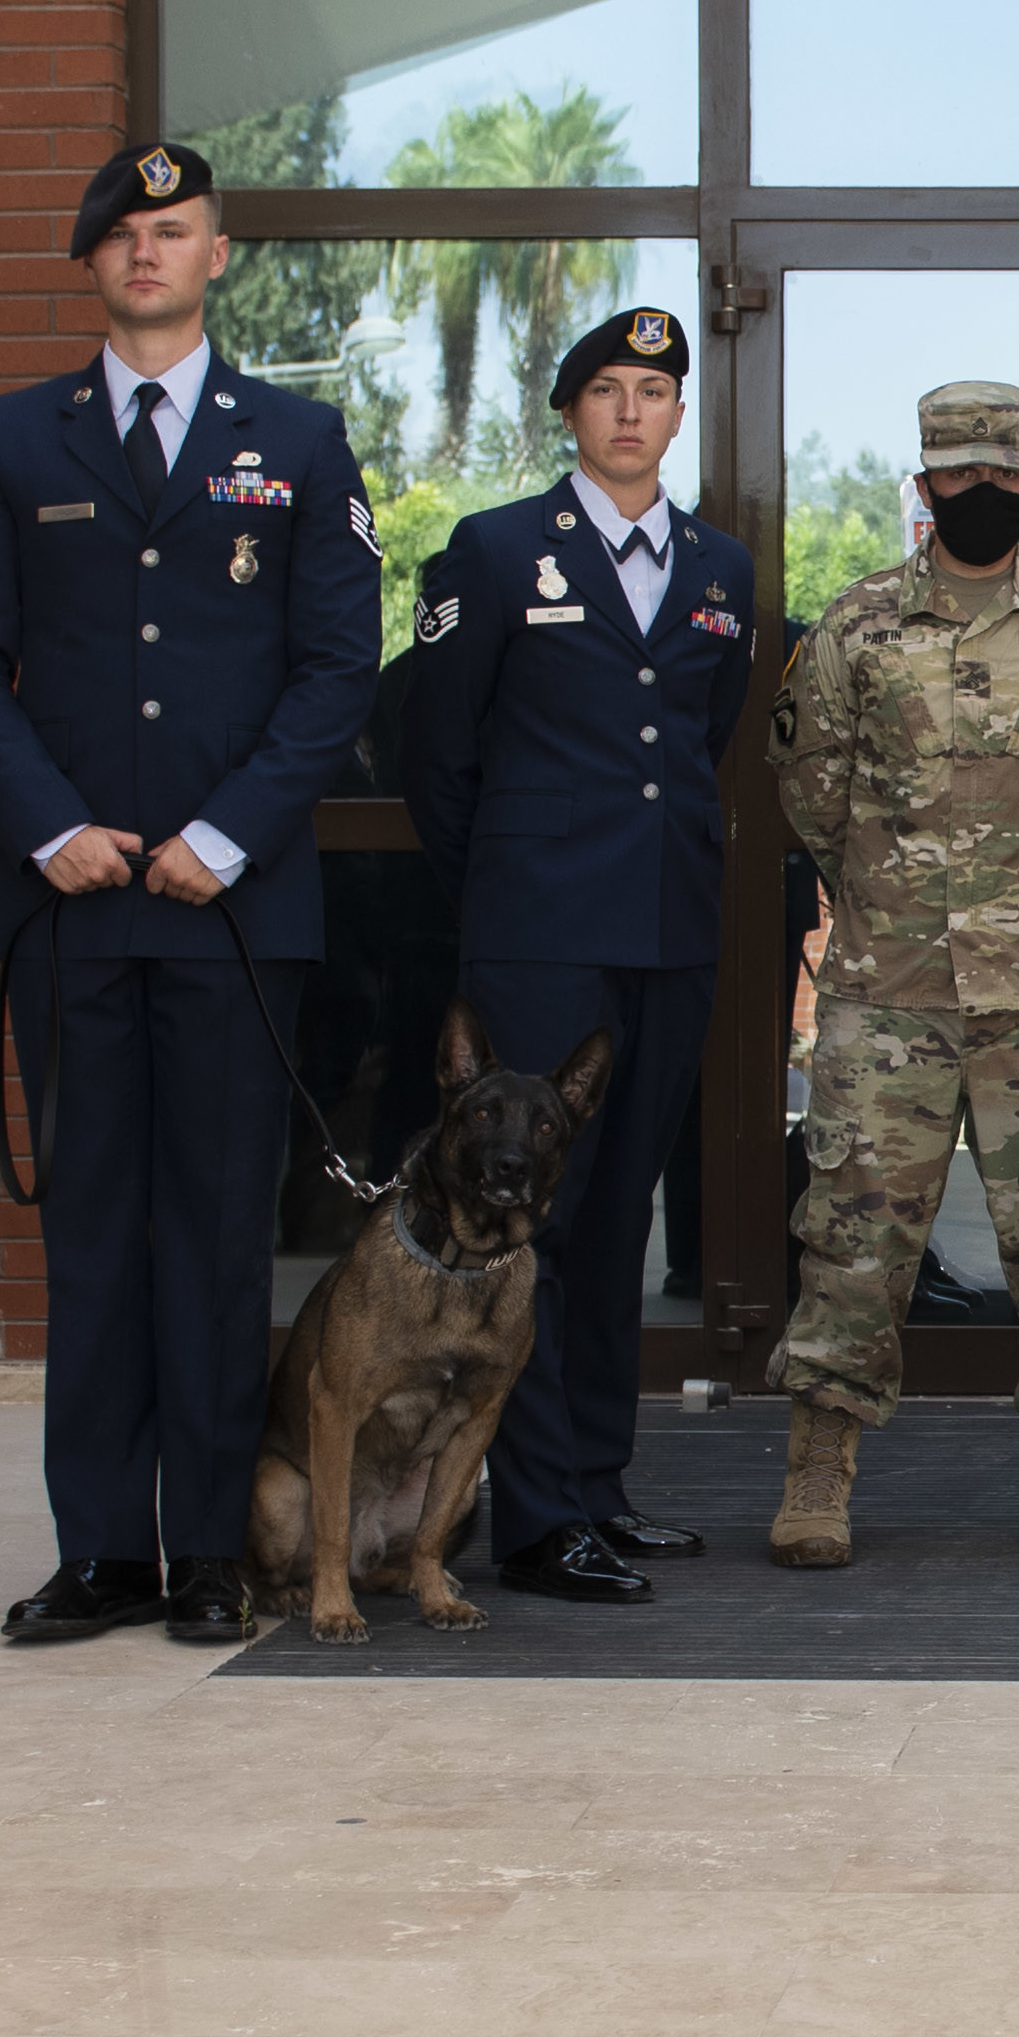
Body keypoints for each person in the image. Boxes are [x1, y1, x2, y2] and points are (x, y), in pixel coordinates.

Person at [0, 139, 381, 1653]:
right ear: (92, 260)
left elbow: (334, 669)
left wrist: (227, 831)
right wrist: (46, 824)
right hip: (71, 906)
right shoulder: (11, 439)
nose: (146, 251)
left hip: (233, 916)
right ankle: (102, 1549)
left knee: (214, 1240)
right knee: (95, 1241)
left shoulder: (300, 440)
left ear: (218, 253)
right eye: (123, 231)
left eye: (173, 229)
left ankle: (207, 1555)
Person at [755, 381, 1019, 1567]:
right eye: (958, 471)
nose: (982, 488)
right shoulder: (855, 628)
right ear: (924, 483)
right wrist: (900, 902)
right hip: (888, 991)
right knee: (851, 1236)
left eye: (1002, 470)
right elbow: (811, 792)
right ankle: (816, 1474)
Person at [379, 303, 756, 1603]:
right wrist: (503, 884)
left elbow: (695, 745)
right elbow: (431, 749)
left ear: (675, 410)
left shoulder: (719, 565)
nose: (631, 407)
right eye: (606, 386)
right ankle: (533, 1516)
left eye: (654, 387)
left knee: (618, 1218)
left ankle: (598, 1481)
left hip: (665, 933)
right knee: (537, 1216)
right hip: (540, 939)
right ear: (568, 411)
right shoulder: (491, 552)